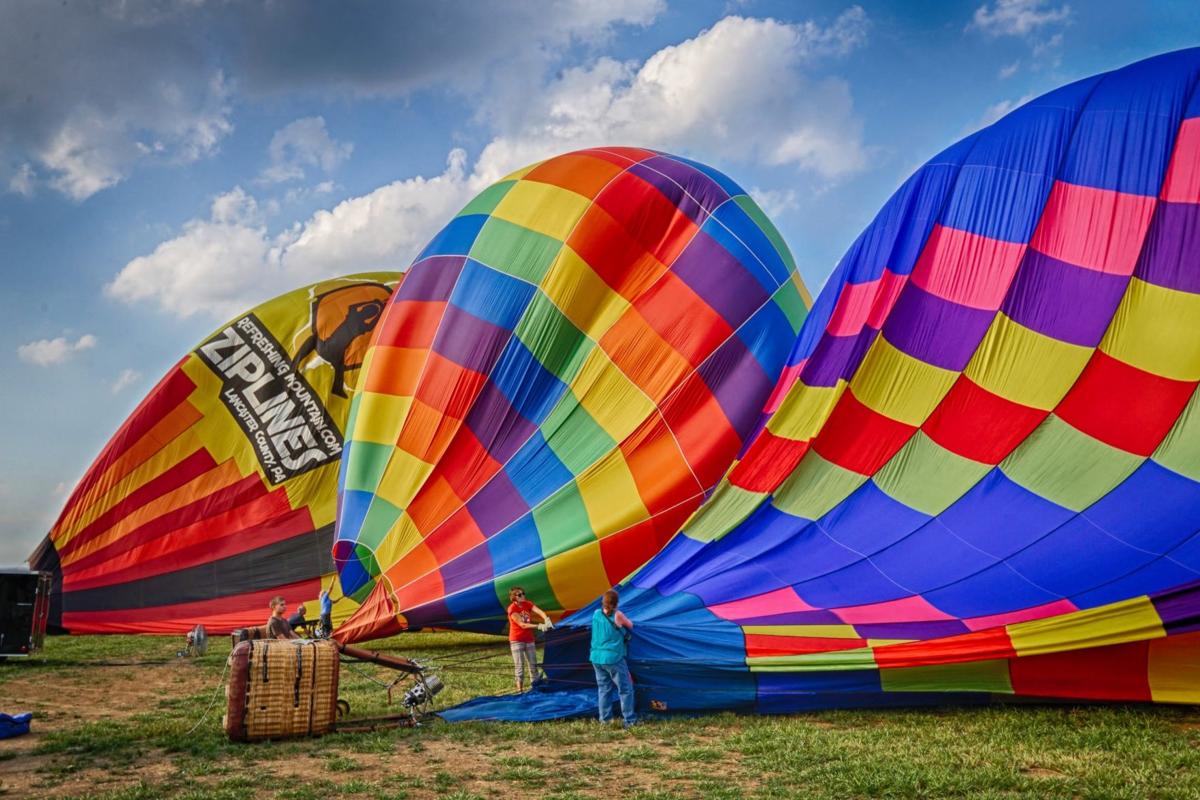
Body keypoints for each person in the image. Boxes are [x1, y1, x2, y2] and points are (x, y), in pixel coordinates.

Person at [590, 589, 635, 728]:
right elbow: (630, 625)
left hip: (596, 657)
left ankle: (605, 720)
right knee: (625, 689)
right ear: (616, 603)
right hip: (613, 657)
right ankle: (629, 721)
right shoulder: (618, 614)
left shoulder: (596, 614)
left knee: (604, 689)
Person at [507, 586, 551, 692]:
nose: (523, 596)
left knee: (533, 665)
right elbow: (522, 625)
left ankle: (535, 689)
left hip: (529, 639)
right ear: (514, 598)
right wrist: (539, 626)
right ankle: (520, 692)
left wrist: (546, 618)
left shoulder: (528, 604)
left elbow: (538, 611)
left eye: (523, 593)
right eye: (520, 595)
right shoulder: (512, 609)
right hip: (517, 640)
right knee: (519, 667)